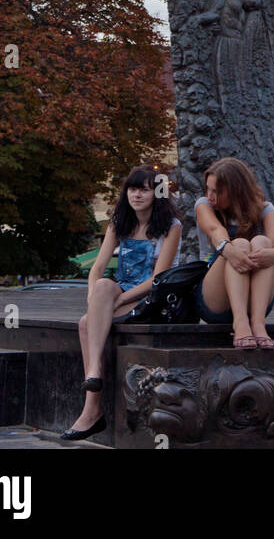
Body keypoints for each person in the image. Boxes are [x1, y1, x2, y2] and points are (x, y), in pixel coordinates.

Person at [62, 166, 182, 441]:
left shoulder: (170, 227)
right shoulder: (119, 221)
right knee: (102, 284)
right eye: (132, 188)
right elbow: (98, 267)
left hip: (153, 296)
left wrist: (115, 302)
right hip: (120, 291)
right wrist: (95, 298)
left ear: (157, 193)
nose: (137, 194)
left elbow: (158, 279)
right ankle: (93, 376)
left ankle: (92, 410)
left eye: (144, 189)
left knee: (85, 324)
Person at [194, 157, 274, 349]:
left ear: (235, 190)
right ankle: (240, 323)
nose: (210, 196)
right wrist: (229, 250)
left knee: (262, 242)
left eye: (216, 191)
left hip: (256, 301)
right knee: (241, 243)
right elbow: (215, 231)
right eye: (207, 189)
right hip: (215, 299)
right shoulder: (204, 205)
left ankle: (258, 324)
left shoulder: (265, 209)